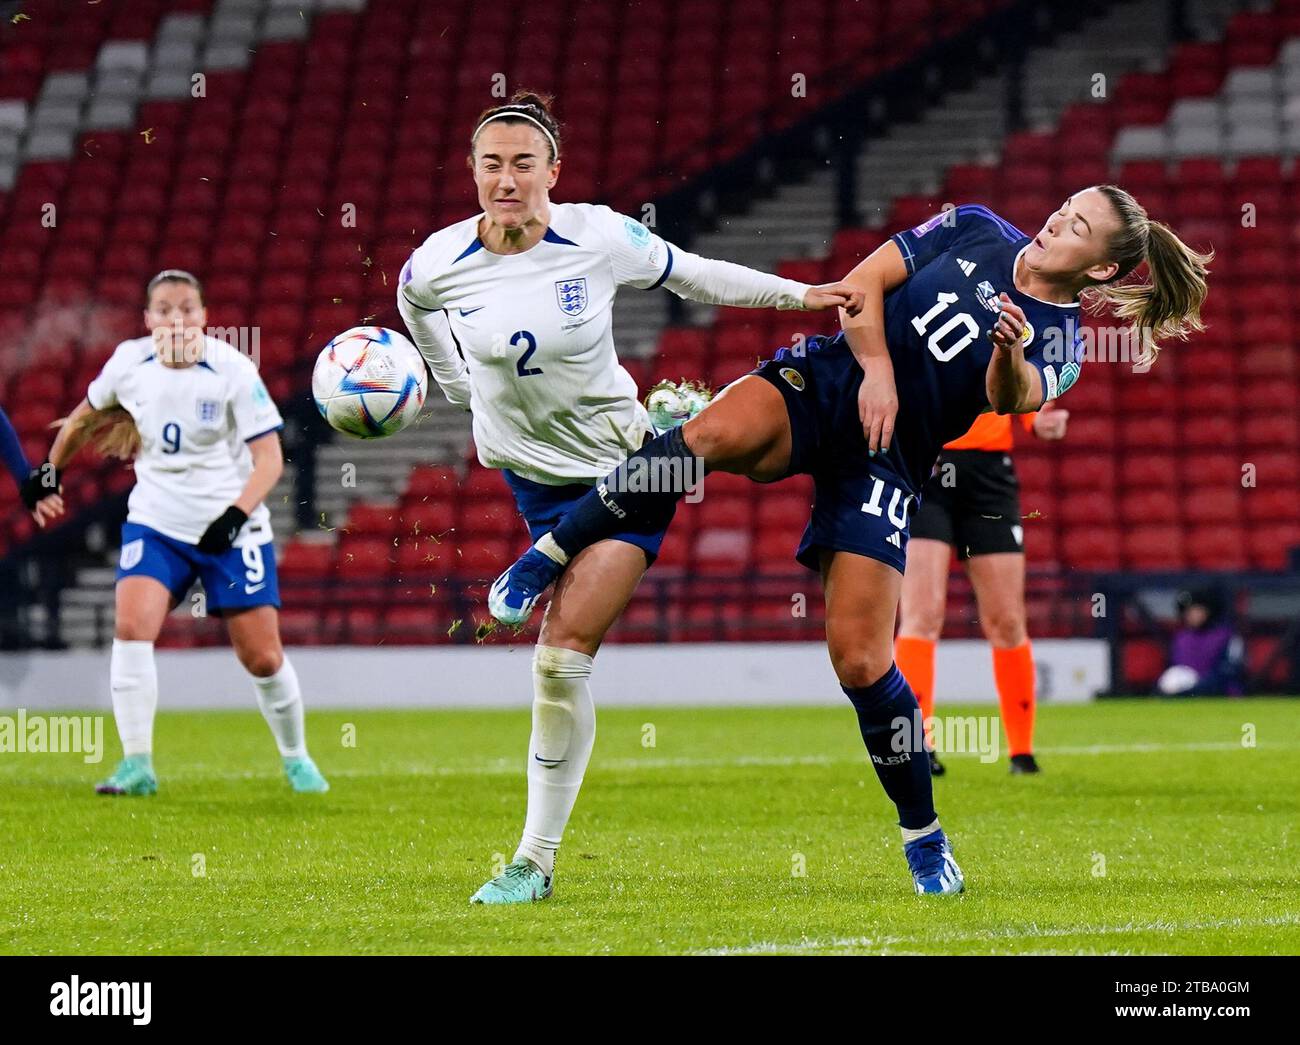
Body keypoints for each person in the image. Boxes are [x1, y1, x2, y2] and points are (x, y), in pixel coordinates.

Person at [491, 187, 1212, 895]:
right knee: (704, 436)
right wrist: (876, 373)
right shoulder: (976, 227)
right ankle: (541, 560)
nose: (1059, 218)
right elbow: (863, 282)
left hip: (891, 460)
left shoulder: (1062, 340)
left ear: (1101, 271)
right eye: (1067, 205)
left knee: (862, 660)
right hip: (833, 380)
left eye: (1079, 225)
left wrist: (1005, 350)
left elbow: (1011, 396)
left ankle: (923, 836)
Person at [397, 91, 863, 904]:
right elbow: (417, 310)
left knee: (558, 652)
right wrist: (460, 391)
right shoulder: (436, 263)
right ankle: (670, 432)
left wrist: (799, 294)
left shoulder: (599, 234)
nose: (507, 179)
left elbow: (696, 276)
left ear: (553, 171)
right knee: (557, 651)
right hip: (528, 477)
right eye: (491, 165)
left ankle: (532, 862)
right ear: (472, 173)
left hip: (622, 470)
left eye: (523, 164)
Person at [31, 269, 329, 796]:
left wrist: (234, 516)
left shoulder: (233, 370)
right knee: (130, 627)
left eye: (186, 308)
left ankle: (297, 758)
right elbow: (80, 420)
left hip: (231, 530)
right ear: (148, 320)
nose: (176, 319)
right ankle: (137, 765)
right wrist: (50, 471)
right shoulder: (129, 362)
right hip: (157, 522)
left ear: (204, 317)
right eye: (164, 310)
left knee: (261, 657)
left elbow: (269, 460)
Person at [895, 402, 1069, 777]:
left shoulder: (1011, 339)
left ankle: (1022, 753)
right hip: (926, 465)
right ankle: (917, 748)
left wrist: (1040, 419)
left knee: (1007, 620)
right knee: (921, 614)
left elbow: (1024, 381)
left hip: (989, 476)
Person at [1156, 588, 1244, 696]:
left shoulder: (1226, 636)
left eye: (1196, 610)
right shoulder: (1181, 638)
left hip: (1220, 696)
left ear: (1208, 610)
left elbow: (1230, 672)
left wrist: (1197, 687)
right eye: (1188, 612)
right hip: (1183, 696)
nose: (1192, 615)